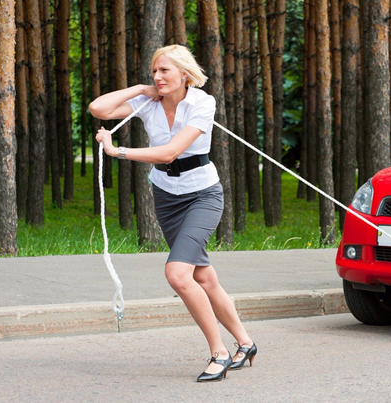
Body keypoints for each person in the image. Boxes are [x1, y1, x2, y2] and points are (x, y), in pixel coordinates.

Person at [89, 44, 256, 382]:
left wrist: (117, 150)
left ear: (184, 73)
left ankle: (219, 352)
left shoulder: (202, 103)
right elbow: (99, 108)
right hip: (167, 197)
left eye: (164, 70)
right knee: (204, 277)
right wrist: (140, 89)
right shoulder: (146, 100)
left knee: (178, 275)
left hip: (203, 196)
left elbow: (170, 153)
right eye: (154, 71)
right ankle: (246, 343)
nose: (157, 76)